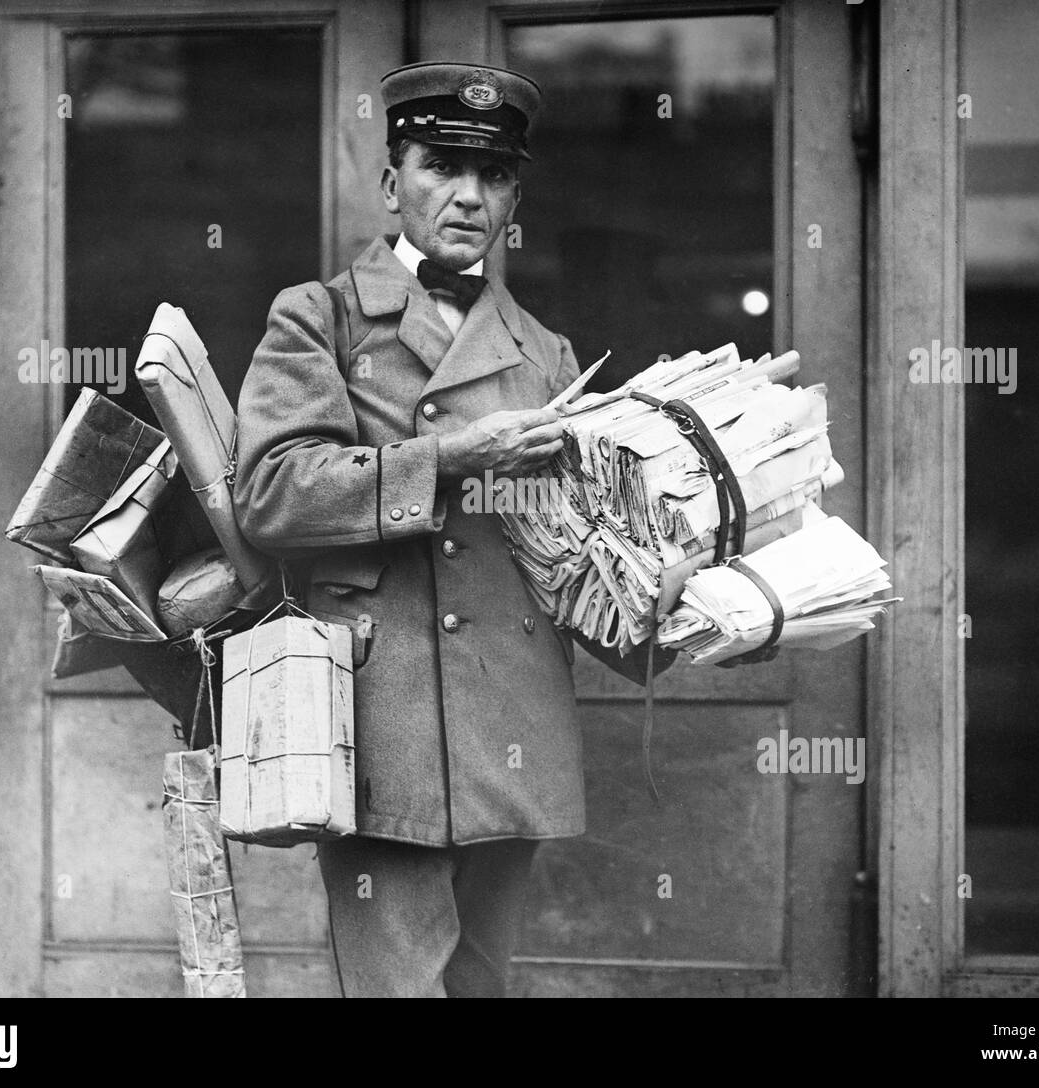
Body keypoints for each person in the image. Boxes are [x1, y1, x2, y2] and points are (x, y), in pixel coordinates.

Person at [233, 61, 670, 998]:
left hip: (509, 717)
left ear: (515, 198)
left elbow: (574, 547)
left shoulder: (543, 350)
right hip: (378, 720)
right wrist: (450, 460)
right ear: (392, 183)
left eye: (496, 175)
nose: (469, 195)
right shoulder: (320, 319)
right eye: (440, 167)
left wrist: (678, 610)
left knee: (482, 988)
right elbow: (270, 493)